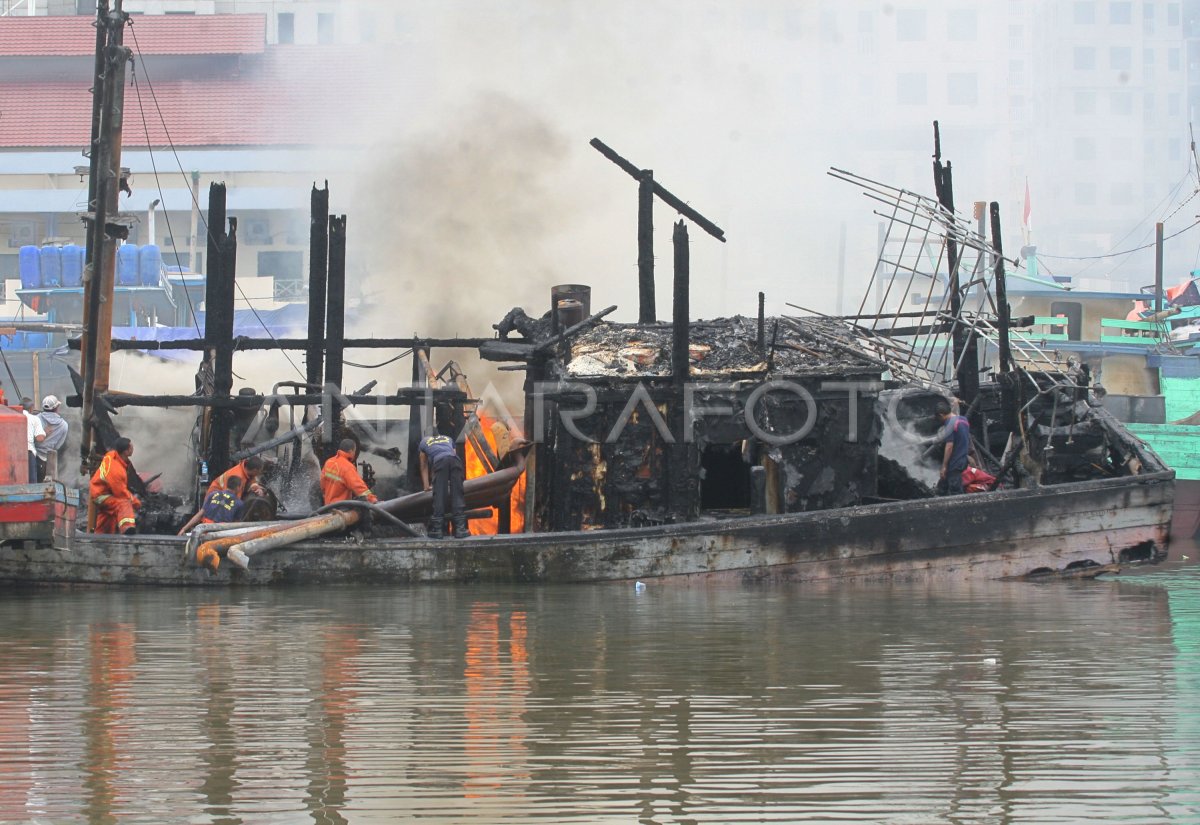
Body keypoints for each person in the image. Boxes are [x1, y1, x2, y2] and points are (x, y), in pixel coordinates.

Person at [178, 456, 266, 535]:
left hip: (207, 523)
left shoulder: (244, 471)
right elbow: (235, 515)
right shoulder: (237, 479)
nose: (260, 474)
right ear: (255, 470)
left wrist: (256, 487)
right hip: (217, 506)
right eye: (260, 471)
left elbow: (251, 480)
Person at [420, 431, 466, 539]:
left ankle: (438, 530)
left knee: (439, 494)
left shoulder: (424, 442)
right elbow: (452, 455)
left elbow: (423, 465)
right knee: (457, 493)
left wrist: (427, 486)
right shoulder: (448, 438)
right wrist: (449, 482)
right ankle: (460, 529)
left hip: (440, 461)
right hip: (455, 461)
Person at [90, 437, 140, 534]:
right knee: (123, 503)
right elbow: (120, 492)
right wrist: (134, 501)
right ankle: (127, 528)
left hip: (102, 492)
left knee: (108, 516)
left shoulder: (113, 455)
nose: (133, 448)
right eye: (131, 447)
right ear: (126, 451)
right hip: (101, 494)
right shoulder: (116, 469)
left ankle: (100, 538)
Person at [320, 438, 378, 506]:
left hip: (328, 507)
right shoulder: (347, 467)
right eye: (354, 451)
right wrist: (373, 500)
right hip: (342, 509)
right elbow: (359, 487)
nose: (354, 454)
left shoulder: (329, 462)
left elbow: (322, 484)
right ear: (350, 451)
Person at [935, 400, 971, 496]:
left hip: (955, 461)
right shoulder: (963, 419)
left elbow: (949, 446)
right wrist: (955, 403)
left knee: (956, 490)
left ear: (941, 415)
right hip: (963, 459)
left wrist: (944, 466)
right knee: (943, 485)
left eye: (939, 418)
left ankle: (961, 509)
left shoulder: (949, 424)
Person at [36, 395, 68, 482]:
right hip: (49, 462)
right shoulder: (63, 425)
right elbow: (58, 446)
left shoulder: (36, 419)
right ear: (57, 407)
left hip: (34, 458)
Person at [20, 398, 45, 483]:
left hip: (13, 452)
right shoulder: (34, 419)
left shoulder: (13, 415)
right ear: (31, 408)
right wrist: (46, 432)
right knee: (31, 482)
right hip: (28, 451)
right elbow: (40, 438)